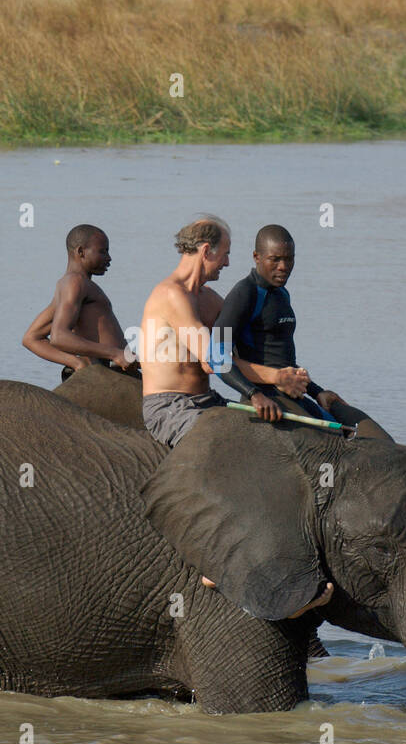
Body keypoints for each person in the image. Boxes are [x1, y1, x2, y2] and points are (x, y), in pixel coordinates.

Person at [138, 215, 334, 619]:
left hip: (204, 400)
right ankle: (214, 564)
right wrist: (262, 385)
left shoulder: (209, 301)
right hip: (170, 406)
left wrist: (291, 382)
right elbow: (214, 360)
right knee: (231, 454)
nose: (227, 264)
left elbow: (236, 358)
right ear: (206, 250)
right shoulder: (170, 296)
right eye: (225, 254)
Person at [212, 224, 347, 421]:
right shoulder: (244, 294)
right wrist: (254, 395)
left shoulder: (282, 294)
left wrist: (317, 392)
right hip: (266, 399)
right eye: (275, 259)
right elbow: (216, 356)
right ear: (256, 257)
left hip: (292, 395)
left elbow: (282, 362)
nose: (283, 266)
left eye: (289, 259)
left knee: (351, 429)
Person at [21, 224, 134, 382]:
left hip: (110, 369)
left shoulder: (70, 284)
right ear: (81, 252)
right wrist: (114, 353)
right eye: (103, 251)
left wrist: (76, 362)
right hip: (106, 376)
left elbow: (31, 338)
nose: (109, 258)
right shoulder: (75, 283)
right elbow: (59, 336)